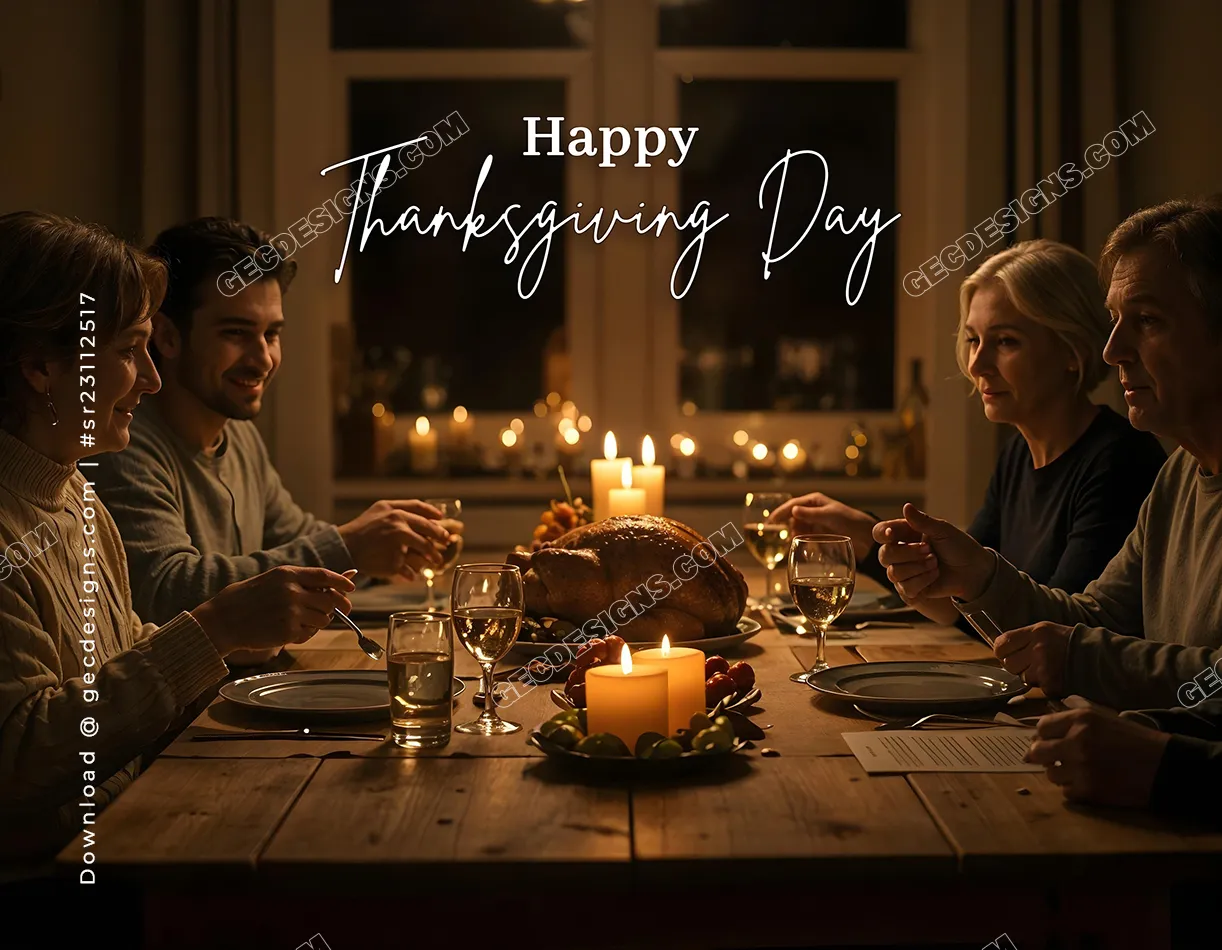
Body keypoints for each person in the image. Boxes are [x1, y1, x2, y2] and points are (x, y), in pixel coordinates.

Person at [0, 212, 357, 863]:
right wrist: (215, 628)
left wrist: (229, 634)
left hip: (129, 827)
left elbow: (124, 650)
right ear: (39, 368)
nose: (152, 377)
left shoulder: (73, 492)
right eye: (128, 350)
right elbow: (22, 759)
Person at [875, 196, 1222, 710]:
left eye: (1147, 320)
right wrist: (978, 577)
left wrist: (1088, 666)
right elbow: (1096, 618)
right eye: (1114, 321)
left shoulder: (1124, 460)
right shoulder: (1178, 476)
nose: (1113, 349)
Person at [93, 217, 454, 661]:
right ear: (166, 336)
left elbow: (296, 537)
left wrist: (389, 545)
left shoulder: (239, 434)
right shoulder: (120, 444)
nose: (262, 358)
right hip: (185, 722)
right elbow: (166, 592)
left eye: (272, 334)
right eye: (236, 333)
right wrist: (348, 546)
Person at [771, 240, 1165, 622]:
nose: (977, 364)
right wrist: (865, 532)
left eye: (1006, 341)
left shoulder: (1119, 461)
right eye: (974, 339)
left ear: (1072, 350)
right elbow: (960, 599)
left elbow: (1058, 631)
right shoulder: (1017, 456)